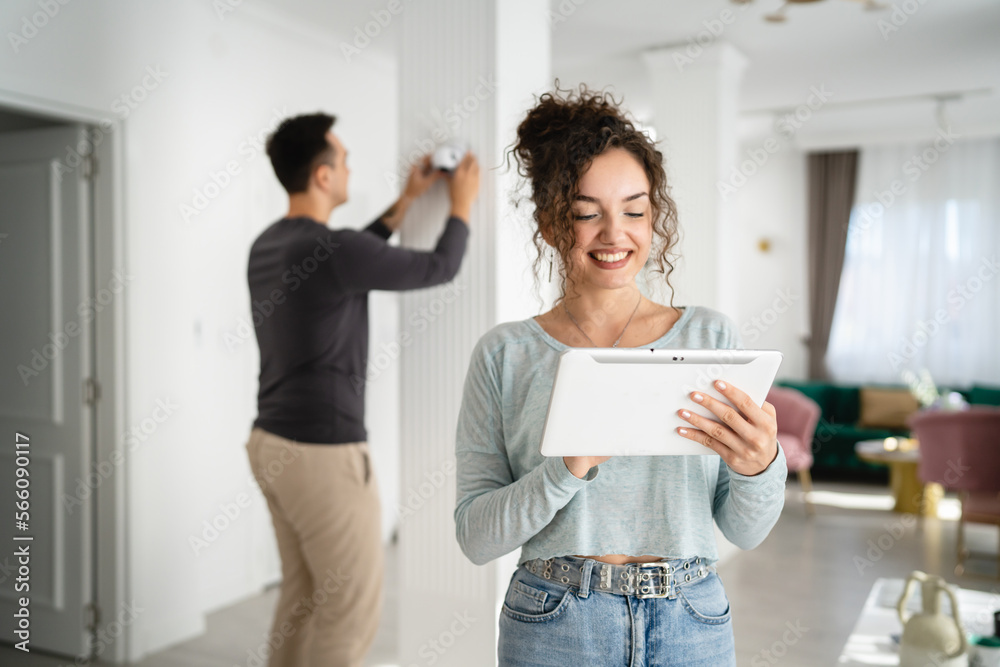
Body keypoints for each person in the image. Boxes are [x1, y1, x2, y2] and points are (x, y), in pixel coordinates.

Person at [453, 86, 787, 666]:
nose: (615, 234)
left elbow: (745, 529)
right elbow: (476, 536)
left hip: (692, 621)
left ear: (653, 217)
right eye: (587, 213)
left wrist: (761, 465)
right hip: (553, 623)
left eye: (634, 210)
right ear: (552, 224)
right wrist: (567, 469)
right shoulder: (505, 354)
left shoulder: (709, 339)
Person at [245, 112, 479, 666]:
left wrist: (405, 202)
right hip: (324, 456)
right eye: (343, 161)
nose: (349, 168)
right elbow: (439, 267)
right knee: (348, 619)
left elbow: (350, 256)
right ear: (323, 176)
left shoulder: (271, 245)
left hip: (270, 444)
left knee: (301, 598)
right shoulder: (334, 251)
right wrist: (461, 204)